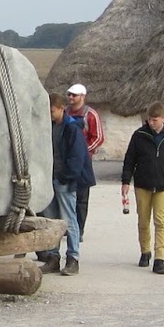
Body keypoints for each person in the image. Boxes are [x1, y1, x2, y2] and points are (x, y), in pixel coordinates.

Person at [120, 102, 164, 274]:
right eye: (149, 119)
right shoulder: (139, 136)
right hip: (142, 185)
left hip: (163, 186)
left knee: (161, 222)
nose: (151, 123)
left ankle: (160, 258)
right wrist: (126, 181)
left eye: (155, 120)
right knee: (143, 221)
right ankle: (145, 251)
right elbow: (130, 159)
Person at [37, 92, 86, 274]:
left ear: (61, 109)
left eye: (51, 110)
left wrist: (65, 177)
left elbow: (77, 156)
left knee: (68, 220)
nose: (49, 114)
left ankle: (73, 258)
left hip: (64, 180)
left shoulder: (72, 128)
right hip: (50, 179)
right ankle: (53, 256)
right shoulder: (49, 127)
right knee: (51, 220)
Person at [64, 84, 105, 242]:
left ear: (83, 96)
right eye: (69, 95)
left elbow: (98, 137)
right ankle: (67, 227)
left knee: (81, 198)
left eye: (74, 95)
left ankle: (79, 229)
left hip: (83, 162)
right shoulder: (66, 113)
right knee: (67, 196)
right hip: (67, 159)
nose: (71, 98)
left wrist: (82, 151)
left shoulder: (90, 114)